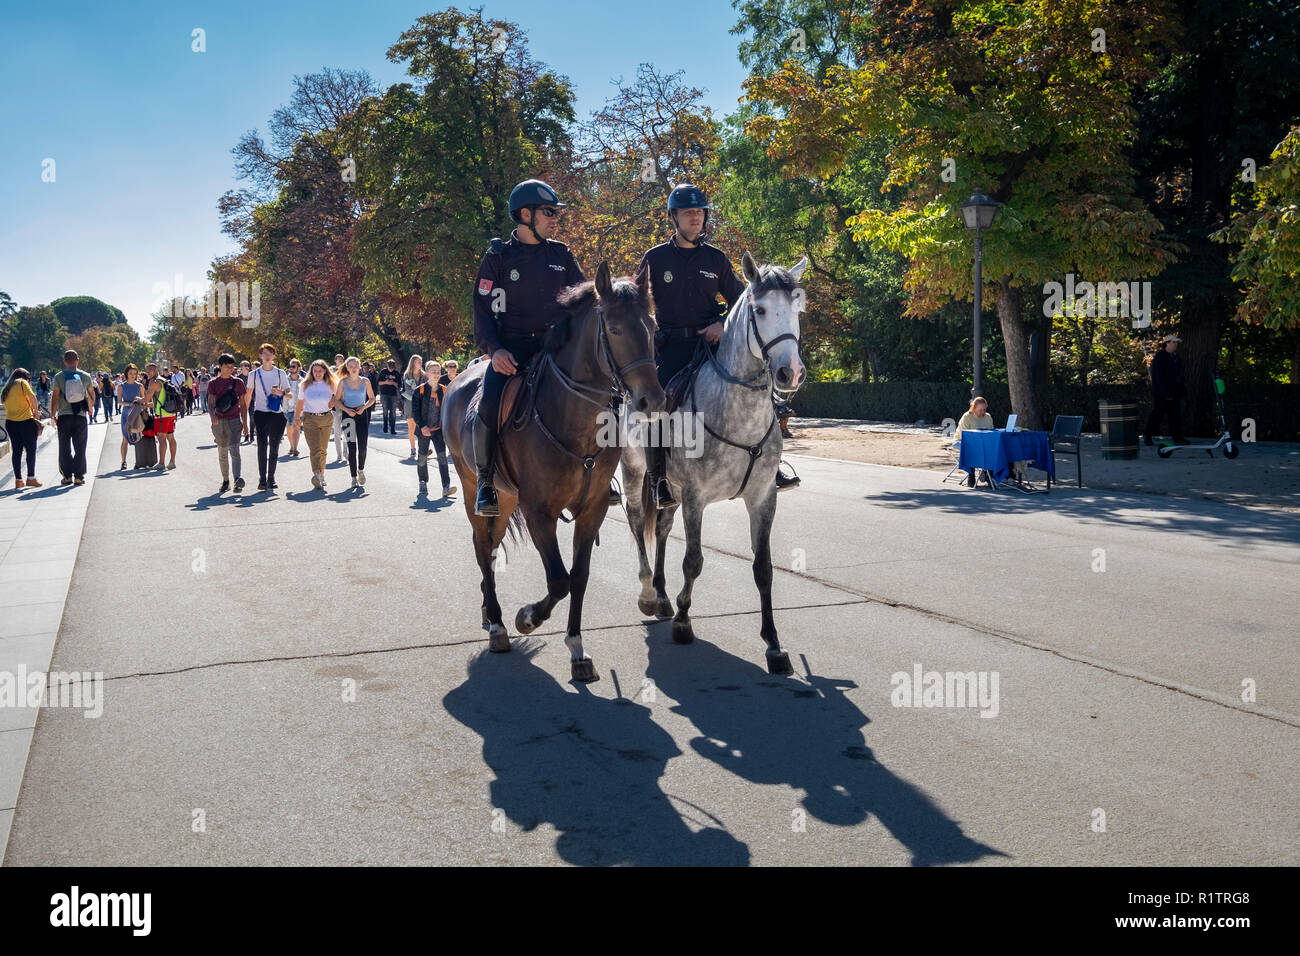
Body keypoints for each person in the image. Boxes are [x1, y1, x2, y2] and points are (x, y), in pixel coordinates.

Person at [635, 183, 800, 506]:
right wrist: (648, 326)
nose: (695, 218)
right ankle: (659, 481)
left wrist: (722, 324)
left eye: (699, 212)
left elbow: (744, 301)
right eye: (688, 213)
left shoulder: (716, 259)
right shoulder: (655, 258)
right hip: (671, 347)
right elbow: (638, 303)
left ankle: (771, 466)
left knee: (757, 387)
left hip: (714, 346)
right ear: (675, 218)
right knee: (655, 407)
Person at [471, 178, 585, 515]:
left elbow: (583, 300)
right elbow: (481, 307)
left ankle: (599, 475)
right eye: (549, 212)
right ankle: (486, 482)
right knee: (488, 403)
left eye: (556, 213)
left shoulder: (562, 254)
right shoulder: (498, 258)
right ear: (525, 214)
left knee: (599, 393)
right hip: (512, 351)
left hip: (555, 349)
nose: (555, 218)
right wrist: (494, 351)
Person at [49, 349, 98, 486]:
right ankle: (79, 476)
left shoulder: (59, 377)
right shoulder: (85, 376)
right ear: (77, 360)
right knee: (80, 446)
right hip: (80, 416)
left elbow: (55, 397)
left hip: (64, 416)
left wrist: (53, 414)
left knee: (64, 447)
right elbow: (91, 394)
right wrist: (90, 407)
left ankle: (67, 477)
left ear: (65, 361)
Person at [247, 343, 290, 491]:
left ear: (273, 356)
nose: (267, 356)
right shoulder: (253, 374)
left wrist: (281, 393)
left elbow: (289, 394)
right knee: (262, 447)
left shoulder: (280, 373)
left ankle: (271, 478)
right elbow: (248, 395)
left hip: (276, 414)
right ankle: (262, 479)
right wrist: (244, 418)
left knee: (274, 447)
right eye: (264, 353)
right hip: (260, 414)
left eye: (269, 353)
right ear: (260, 355)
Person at [412, 360, 456, 498]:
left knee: (442, 457)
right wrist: (422, 426)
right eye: (433, 372)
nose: (437, 374)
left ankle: (446, 487)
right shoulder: (420, 391)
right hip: (423, 430)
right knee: (422, 458)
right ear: (427, 373)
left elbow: (449, 411)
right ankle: (423, 482)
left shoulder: (444, 390)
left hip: (438, 430)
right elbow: (415, 412)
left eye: (438, 372)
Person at [206, 353, 248, 493]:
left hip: (235, 420)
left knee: (235, 450)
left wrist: (245, 423)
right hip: (219, 421)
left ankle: (237, 480)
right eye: (226, 367)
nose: (230, 369)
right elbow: (211, 403)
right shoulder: (213, 383)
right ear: (220, 366)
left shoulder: (238, 382)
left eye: (232, 367)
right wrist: (212, 416)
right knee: (222, 451)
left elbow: (243, 404)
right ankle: (225, 480)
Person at [333, 356, 375, 490]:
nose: (353, 368)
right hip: (348, 416)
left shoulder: (365, 381)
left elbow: (372, 399)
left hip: (362, 415)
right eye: (350, 366)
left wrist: (363, 407)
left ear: (359, 366)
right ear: (347, 368)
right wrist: (346, 409)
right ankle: (353, 478)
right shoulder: (342, 382)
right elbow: (337, 400)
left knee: (363, 446)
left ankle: (361, 470)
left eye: (355, 366)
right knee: (352, 447)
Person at [296, 359, 336, 490]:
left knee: (323, 449)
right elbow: (300, 403)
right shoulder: (304, 385)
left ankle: (322, 474)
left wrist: (334, 400)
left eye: (320, 371)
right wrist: (297, 419)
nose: (318, 373)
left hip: (326, 418)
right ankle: (316, 475)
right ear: (311, 372)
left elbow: (335, 399)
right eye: (315, 371)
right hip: (310, 418)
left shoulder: (331, 384)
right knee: (315, 449)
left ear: (325, 371)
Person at [1144, 333, 1187, 446]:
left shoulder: (1176, 357)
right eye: (1174, 342)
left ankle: (1178, 438)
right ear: (1167, 343)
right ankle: (1147, 436)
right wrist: (1164, 392)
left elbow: (1179, 375)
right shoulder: (1160, 357)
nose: (1176, 344)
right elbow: (1158, 377)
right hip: (1162, 393)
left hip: (1174, 392)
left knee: (1175, 416)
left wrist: (1180, 390)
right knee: (1158, 415)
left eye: (1177, 342)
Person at [3, 369, 43, 488]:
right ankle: (31, 478)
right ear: (25, 377)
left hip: (10, 423)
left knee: (17, 451)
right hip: (25, 422)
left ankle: (18, 480)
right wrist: (36, 413)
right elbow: (33, 397)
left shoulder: (7, 388)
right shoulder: (22, 382)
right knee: (31, 450)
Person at [142, 362, 178, 470]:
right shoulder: (164, 380)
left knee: (162, 438)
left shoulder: (154, 382)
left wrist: (138, 400)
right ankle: (172, 462)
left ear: (156, 370)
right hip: (171, 413)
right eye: (147, 370)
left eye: (150, 370)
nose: (148, 373)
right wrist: (148, 404)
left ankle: (161, 463)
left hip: (161, 415)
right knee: (171, 438)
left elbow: (146, 399)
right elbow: (159, 400)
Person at [953, 396, 995, 487]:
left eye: (984, 409)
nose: (983, 412)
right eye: (980, 410)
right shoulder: (967, 416)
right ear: (974, 408)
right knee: (971, 449)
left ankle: (988, 474)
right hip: (961, 441)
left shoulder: (988, 417)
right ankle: (971, 475)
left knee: (992, 449)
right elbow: (964, 436)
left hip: (981, 443)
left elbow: (992, 432)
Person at [116, 364, 144, 469]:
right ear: (126, 374)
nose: (133, 375)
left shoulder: (140, 386)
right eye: (130, 373)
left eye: (135, 373)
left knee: (137, 438)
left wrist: (139, 403)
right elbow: (119, 402)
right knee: (125, 439)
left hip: (137, 415)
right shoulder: (121, 386)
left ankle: (139, 461)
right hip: (126, 415)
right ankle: (123, 461)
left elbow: (144, 400)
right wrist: (129, 404)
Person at [400, 355, 423, 458]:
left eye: (421, 362)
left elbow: (426, 388)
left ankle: (423, 449)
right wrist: (417, 390)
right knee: (411, 428)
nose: (420, 363)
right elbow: (408, 390)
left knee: (422, 427)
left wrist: (417, 389)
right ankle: (413, 449)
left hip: (422, 404)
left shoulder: (424, 375)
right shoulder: (407, 375)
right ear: (413, 363)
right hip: (410, 403)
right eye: (418, 362)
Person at [284, 358, 304, 456]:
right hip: (287, 407)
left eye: (293, 366)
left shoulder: (303, 381)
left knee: (296, 427)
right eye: (290, 366)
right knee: (289, 429)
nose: (291, 368)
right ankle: (292, 446)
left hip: (298, 409)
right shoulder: (284, 380)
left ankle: (295, 448)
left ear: (299, 368)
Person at [377, 358, 402, 435]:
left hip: (393, 394)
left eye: (392, 368)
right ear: (387, 366)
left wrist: (394, 383)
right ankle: (385, 426)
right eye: (389, 367)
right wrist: (386, 382)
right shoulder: (383, 372)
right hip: (384, 393)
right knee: (385, 410)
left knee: (393, 412)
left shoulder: (397, 373)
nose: (391, 369)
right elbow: (379, 382)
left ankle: (392, 428)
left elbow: (400, 385)